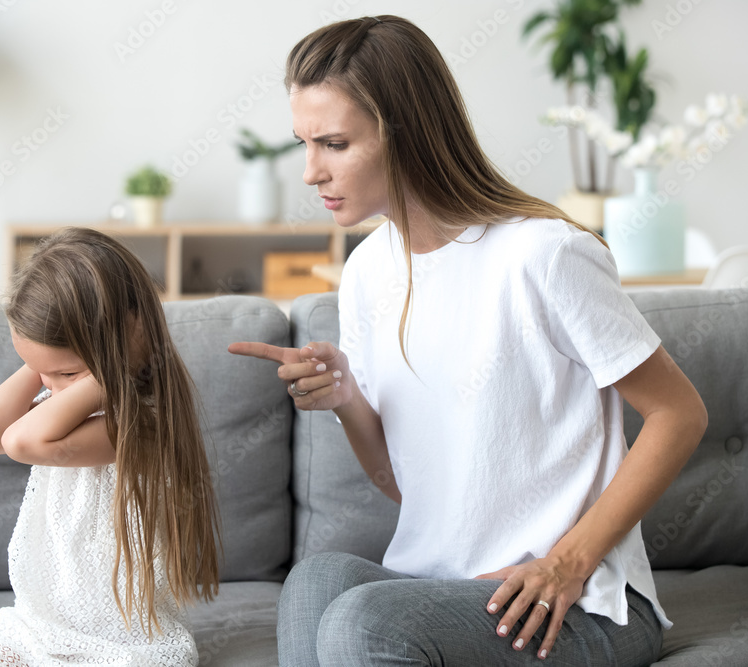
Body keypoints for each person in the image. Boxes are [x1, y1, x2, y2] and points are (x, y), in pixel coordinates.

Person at [229, 15, 707, 666]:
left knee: (365, 623)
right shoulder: (369, 272)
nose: (310, 171)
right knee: (315, 581)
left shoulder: (543, 254)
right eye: (303, 144)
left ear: (406, 133)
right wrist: (344, 393)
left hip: (579, 605)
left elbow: (680, 413)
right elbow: (406, 485)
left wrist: (566, 562)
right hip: (448, 590)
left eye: (334, 143)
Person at [0, 227, 220, 667]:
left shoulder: (140, 422)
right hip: (40, 622)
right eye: (36, 369)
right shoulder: (63, 396)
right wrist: (46, 366)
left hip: (124, 632)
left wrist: (110, 370)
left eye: (65, 373)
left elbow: (21, 441)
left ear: (120, 346)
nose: (49, 385)